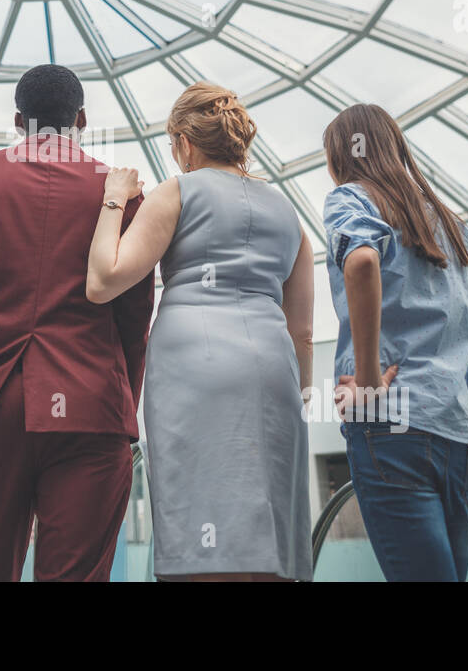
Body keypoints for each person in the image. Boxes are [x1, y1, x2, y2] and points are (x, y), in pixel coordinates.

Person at [0, 64, 154, 581]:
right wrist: (123, 403)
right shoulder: (119, 194)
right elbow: (136, 319)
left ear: (19, 120)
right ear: (82, 119)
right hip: (92, 410)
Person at [87, 82, 315, 582]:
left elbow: (104, 280)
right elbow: (301, 331)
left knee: (202, 523)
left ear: (185, 142)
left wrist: (112, 201)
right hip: (275, 374)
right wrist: (297, 399)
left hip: (194, 370)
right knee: (267, 529)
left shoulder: (178, 192)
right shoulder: (289, 212)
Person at [322, 103, 468, 582]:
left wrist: (366, 382)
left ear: (340, 158)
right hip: (457, 440)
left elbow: (360, 262)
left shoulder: (350, 200)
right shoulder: (451, 225)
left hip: (390, 426)